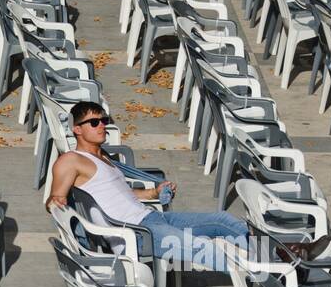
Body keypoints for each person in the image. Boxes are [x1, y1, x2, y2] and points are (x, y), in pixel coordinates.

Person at [45, 101, 248, 271]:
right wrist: (57, 201)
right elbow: (54, 202)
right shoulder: (72, 160)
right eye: (94, 122)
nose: (102, 126)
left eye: (104, 121)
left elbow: (120, 195)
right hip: (138, 234)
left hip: (153, 217)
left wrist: (154, 191)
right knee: (205, 249)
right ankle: (263, 280)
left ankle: (271, 255)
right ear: (77, 129)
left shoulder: (103, 157)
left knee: (222, 220)